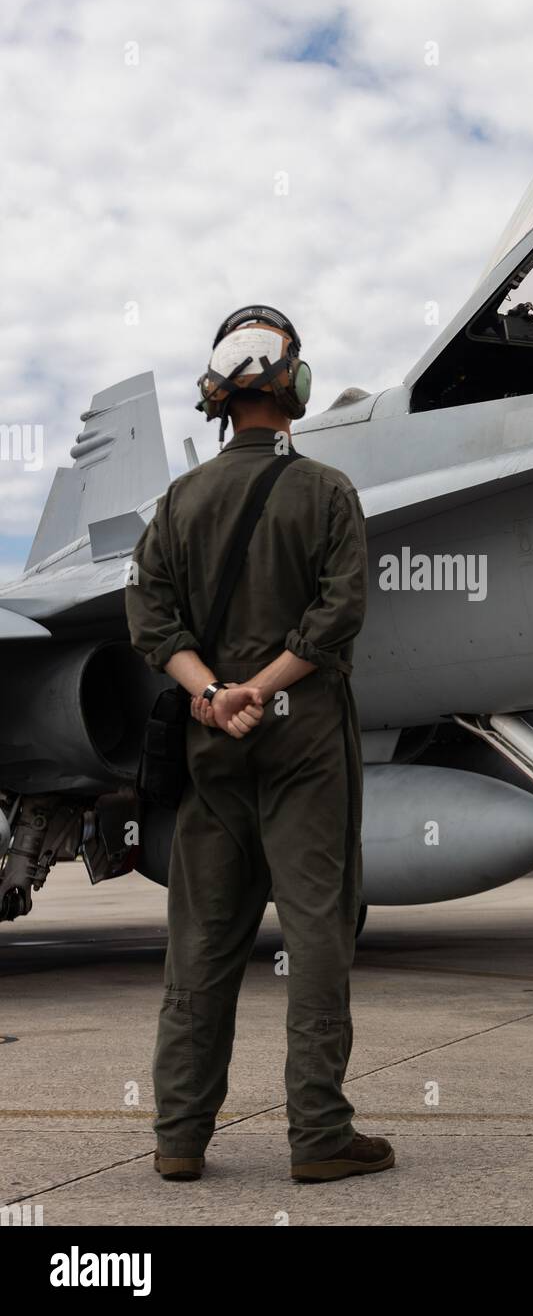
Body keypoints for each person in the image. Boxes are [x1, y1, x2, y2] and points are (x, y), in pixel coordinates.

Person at [125, 304, 395, 1184]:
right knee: (317, 933)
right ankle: (318, 1135)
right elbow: (338, 615)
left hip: (214, 749)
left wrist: (211, 695)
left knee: (201, 942)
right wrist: (262, 689)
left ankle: (179, 1137)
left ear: (220, 396)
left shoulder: (176, 502)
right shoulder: (325, 489)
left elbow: (149, 618)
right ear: (294, 387)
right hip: (305, 740)